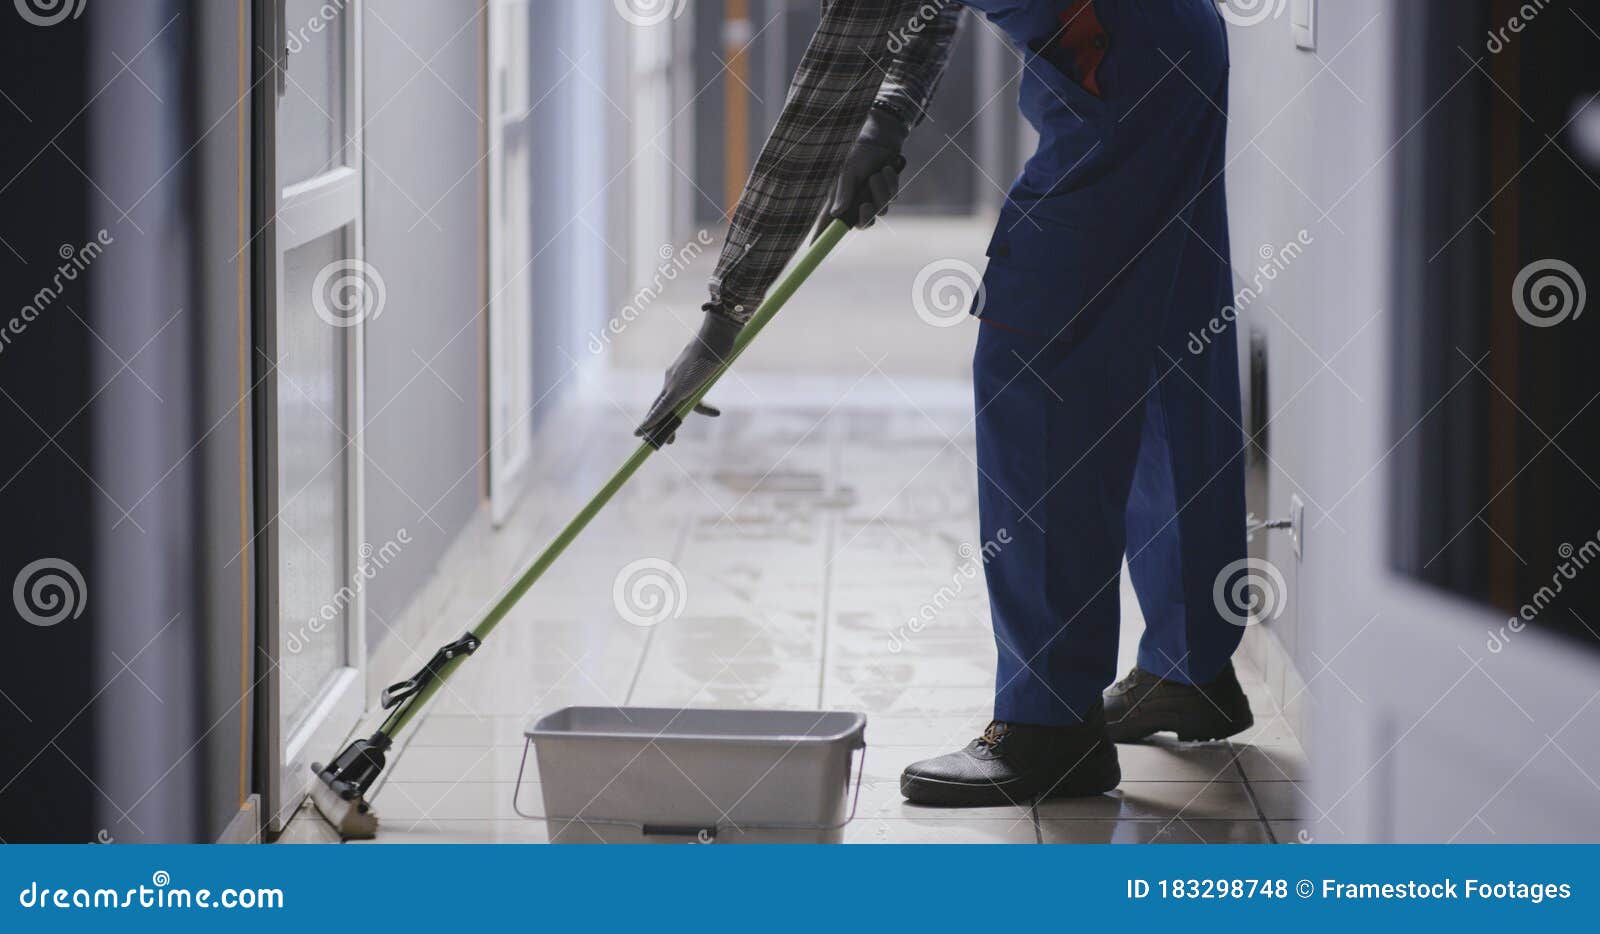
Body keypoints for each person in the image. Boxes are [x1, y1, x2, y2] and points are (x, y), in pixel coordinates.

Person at [637, 0, 1253, 808]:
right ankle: (1188, 661)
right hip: (1169, 44)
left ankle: (1048, 727)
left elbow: (823, 100)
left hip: (1120, 65)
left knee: (1037, 357)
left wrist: (722, 323)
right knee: (1172, 338)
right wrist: (885, 125)